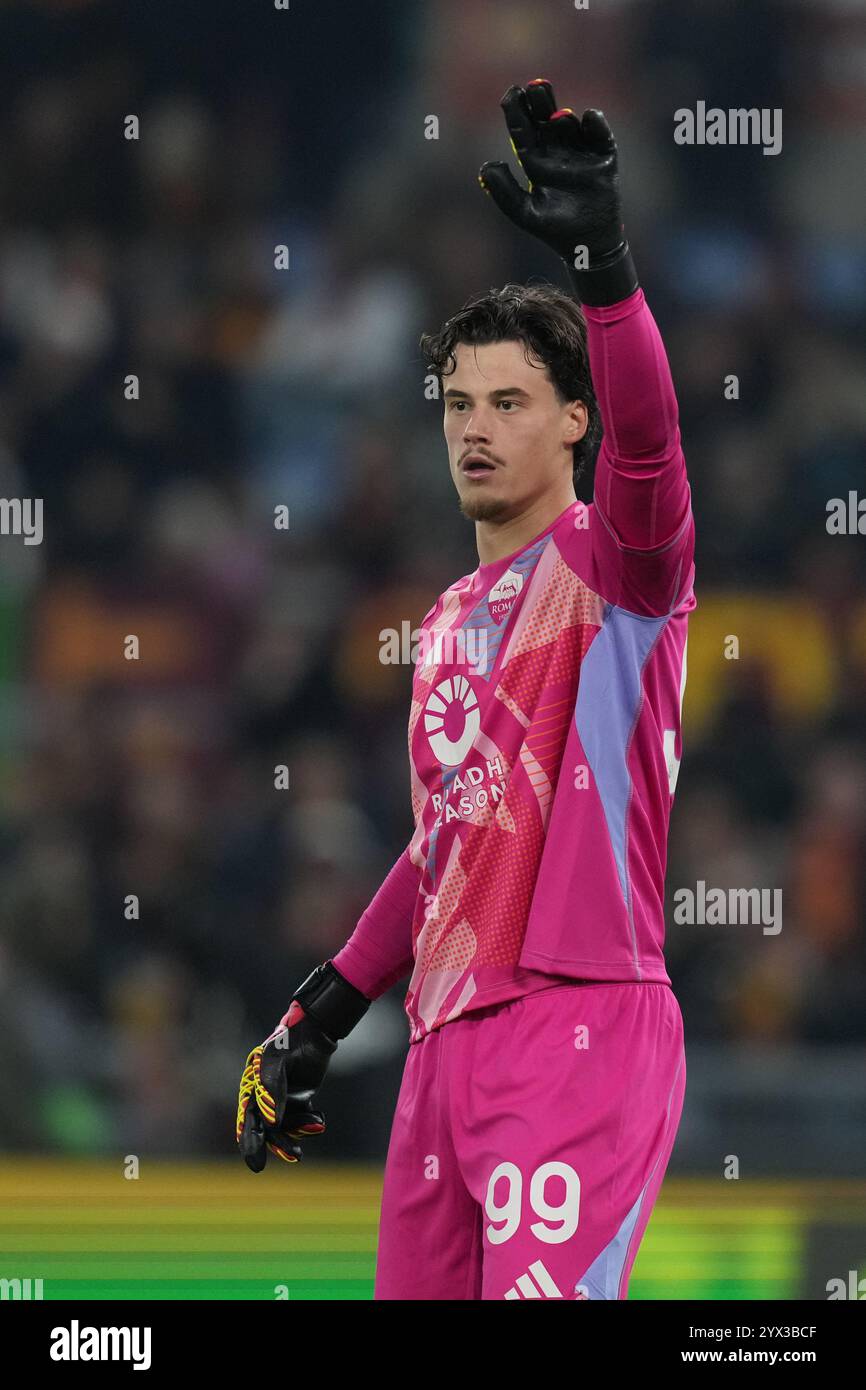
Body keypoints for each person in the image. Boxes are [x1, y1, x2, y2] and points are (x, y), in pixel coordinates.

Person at [236, 78, 695, 1301]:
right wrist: (322, 1011)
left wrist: (601, 265)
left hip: (578, 1023)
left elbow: (652, 442)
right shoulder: (440, 623)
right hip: (442, 1045)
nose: (473, 430)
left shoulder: (619, 569)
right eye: (454, 405)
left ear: (573, 426)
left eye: (507, 404)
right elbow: (448, 841)